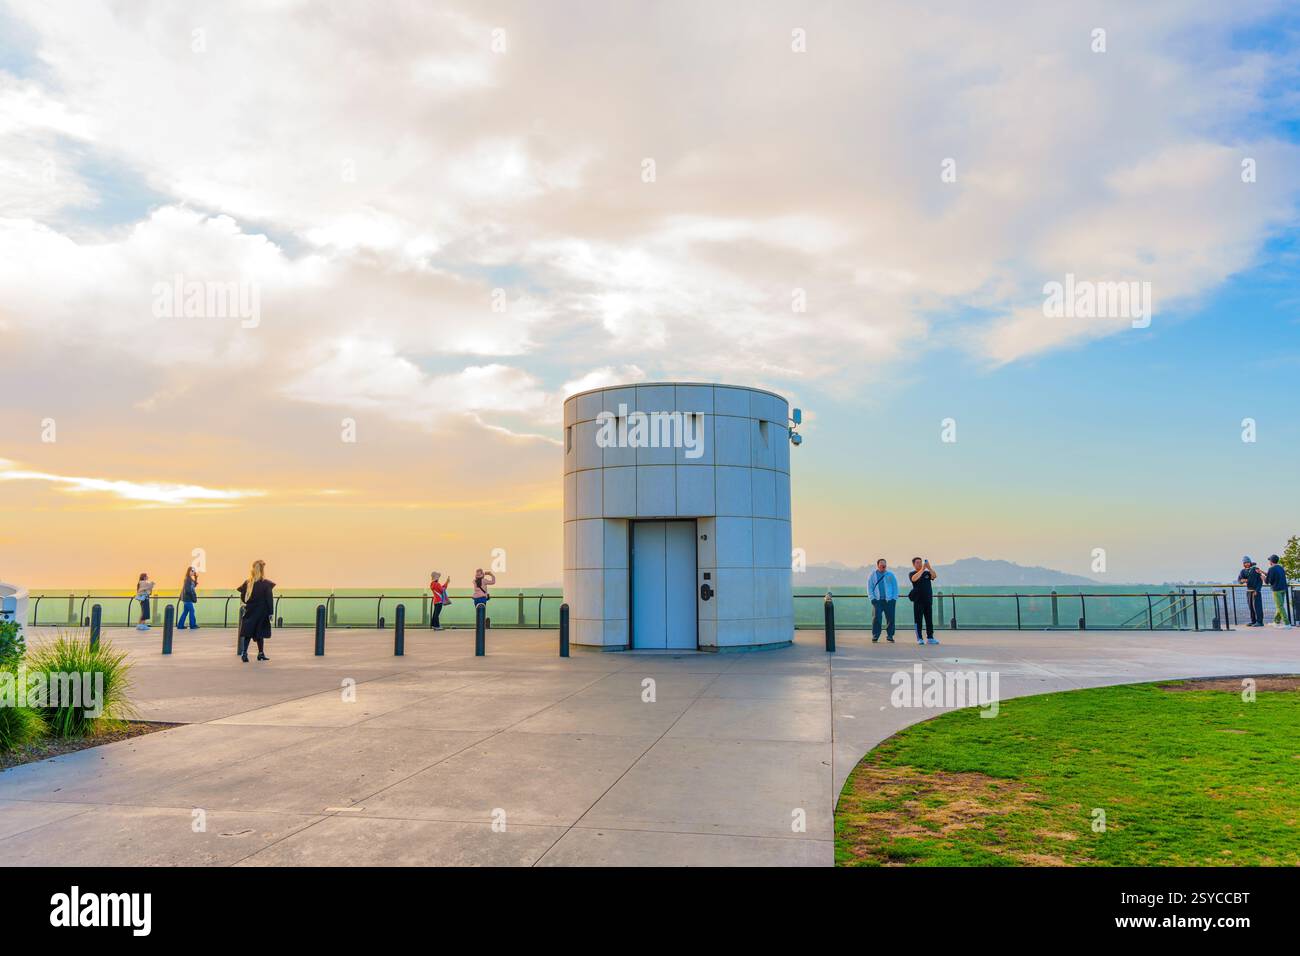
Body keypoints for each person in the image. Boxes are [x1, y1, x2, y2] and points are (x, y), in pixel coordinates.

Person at [236, 559, 275, 662]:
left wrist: (247, 604)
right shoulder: (266, 584)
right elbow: (269, 599)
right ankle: (260, 653)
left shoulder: (248, 583)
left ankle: (245, 653)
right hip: (262, 612)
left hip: (250, 611)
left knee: (248, 632)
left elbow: (243, 597)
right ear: (262, 570)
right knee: (260, 632)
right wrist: (271, 613)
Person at [908, 557, 938, 645]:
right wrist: (922, 569)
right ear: (913, 564)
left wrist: (929, 567)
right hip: (918, 601)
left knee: (929, 620)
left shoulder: (927, 573)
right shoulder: (912, 573)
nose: (919, 564)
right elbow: (914, 579)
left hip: (928, 600)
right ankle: (919, 638)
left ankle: (930, 637)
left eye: (920, 562)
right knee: (918, 620)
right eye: (917, 563)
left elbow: (934, 576)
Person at [867, 558, 898, 643]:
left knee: (891, 618)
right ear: (878, 566)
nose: (883, 567)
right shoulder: (872, 575)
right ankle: (875, 635)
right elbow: (869, 587)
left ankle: (890, 635)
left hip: (889, 601)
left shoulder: (890, 575)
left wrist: (894, 598)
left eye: (885, 566)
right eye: (882, 566)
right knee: (876, 618)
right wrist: (872, 598)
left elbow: (895, 587)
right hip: (877, 601)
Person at [1265, 554, 1292, 628]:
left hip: (1276, 590)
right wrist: (1263, 572)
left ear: (1271, 561)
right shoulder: (1281, 568)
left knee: (1279, 606)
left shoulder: (1271, 569)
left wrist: (1261, 577)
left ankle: (1287, 623)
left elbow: (1267, 581)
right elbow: (1274, 576)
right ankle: (1276, 622)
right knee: (1280, 606)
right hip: (1283, 588)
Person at [1238, 556, 1265, 628]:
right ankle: (1253, 621)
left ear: (1250, 562)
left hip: (1256, 591)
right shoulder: (1243, 571)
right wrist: (1242, 581)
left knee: (1257, 606)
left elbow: (1260, 581)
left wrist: (1257, 590)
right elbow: (1239, 580)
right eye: (1245, 563)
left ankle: (1260, 622)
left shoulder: (1255, 569)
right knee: (1251, 607)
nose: (1246, 564)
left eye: (1247, 562)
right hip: (1249, 591)